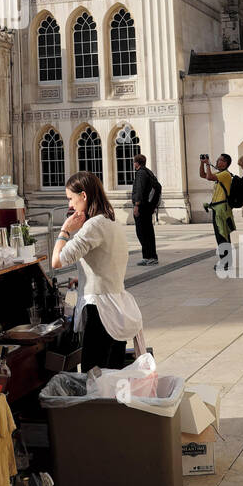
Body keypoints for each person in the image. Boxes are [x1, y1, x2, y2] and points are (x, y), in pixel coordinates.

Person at [50, 171, 143, 372]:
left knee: (93, 375)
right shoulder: (111, 222)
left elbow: (56, 261)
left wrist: (65, 230)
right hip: (117, 307)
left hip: (100, 310)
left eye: (71, 199)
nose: (70, 205)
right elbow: (108, 262)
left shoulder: (93, 225)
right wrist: (84, 276)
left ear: (84, 195)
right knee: (112, 375)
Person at [199, 151, 235, 270]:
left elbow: (209, 176)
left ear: (225, 163)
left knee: (222, 235)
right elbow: (203, 175)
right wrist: (202, 163)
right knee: (222, 235)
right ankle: (226, 261)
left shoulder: (225, 175)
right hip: (218, 208)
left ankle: (224, 261)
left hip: (221, 209)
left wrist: (208, 164)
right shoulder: (221, 174)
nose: (217, 161)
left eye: (219, 160)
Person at [130, 153, 160, 266]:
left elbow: (140, 190)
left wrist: (137, 205)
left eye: (134, 162)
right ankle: (151, 256)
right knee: (148, 232)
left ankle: (148, 256)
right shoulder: (148, 172)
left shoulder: (141, 173)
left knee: (142, 232)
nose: (133, 164)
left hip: (142, 207)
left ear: (137, 163)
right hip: (148, 207)